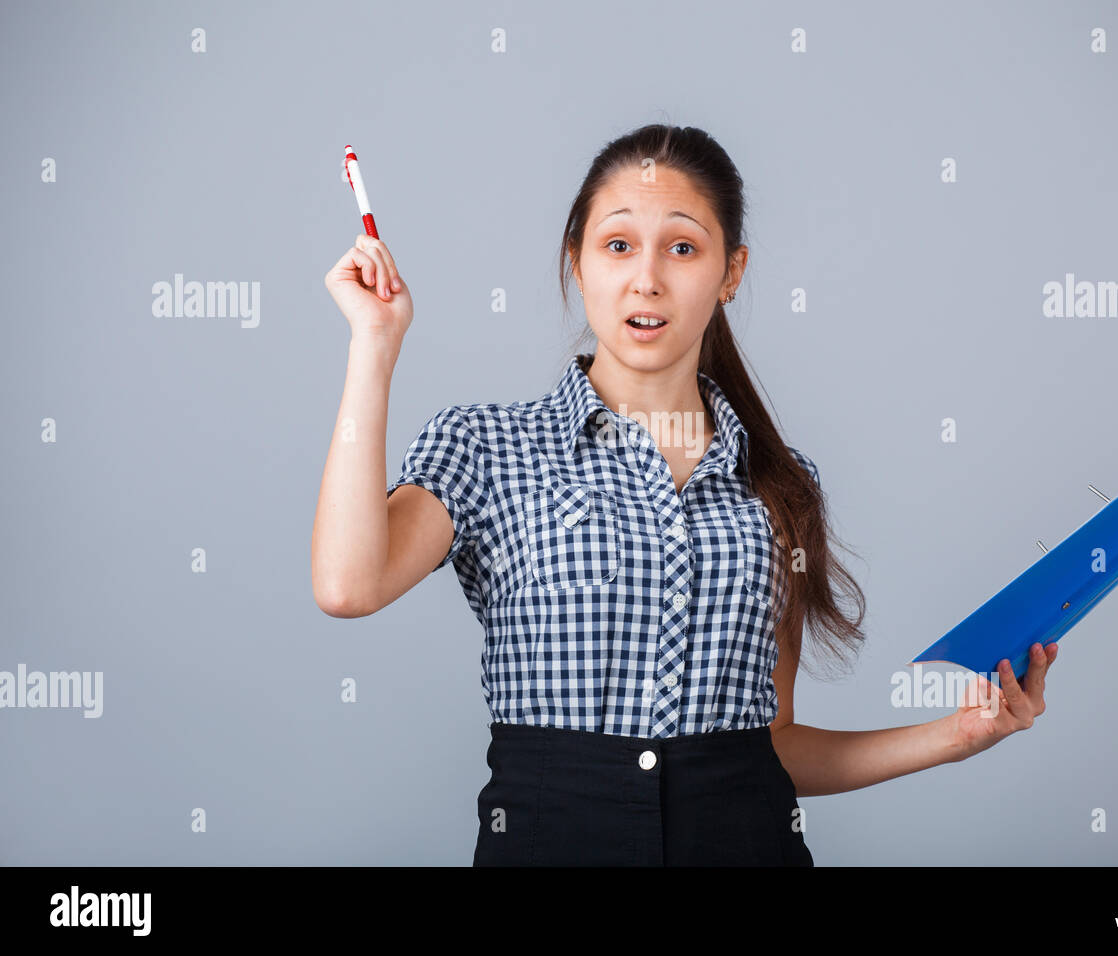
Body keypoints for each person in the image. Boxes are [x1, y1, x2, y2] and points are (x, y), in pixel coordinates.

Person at [311, 123, 1059, 866]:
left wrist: (955, 737)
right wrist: (374, 346)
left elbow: (774, 747)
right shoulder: (487, 448)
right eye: (617, 245)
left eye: (682, 247)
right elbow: (349, 585)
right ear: (577, 261)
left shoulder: (782, 486)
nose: (647, 279)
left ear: (730, 273)